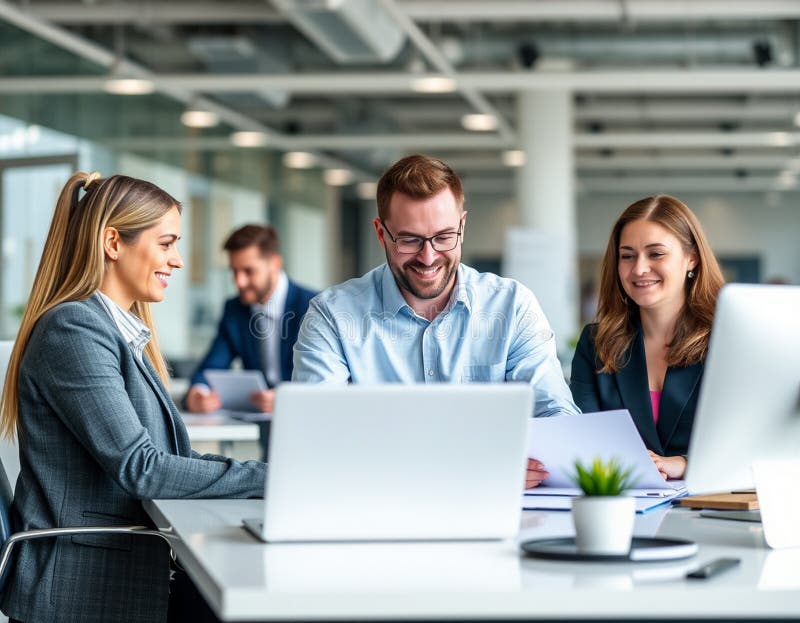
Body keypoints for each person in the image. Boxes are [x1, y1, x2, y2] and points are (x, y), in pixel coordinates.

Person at [0, 172, 265, 623]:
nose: (177, 260)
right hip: (81, 583)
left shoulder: (115, 334)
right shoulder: (75, 330)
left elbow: (159, 457)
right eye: (166, 243)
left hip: (119, 562)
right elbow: (141, 467)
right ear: (113, 242)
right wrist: (272, 480)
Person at [292, 154, 579, 488]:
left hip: (493, 513)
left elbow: (559, 423)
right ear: (381, 233)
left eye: (444, 237)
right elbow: (315, 437)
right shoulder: (332, 316)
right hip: (376, 511)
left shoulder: (513, 306)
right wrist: (475, 464)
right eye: (410, 240)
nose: (428, 258)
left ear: (462, 226)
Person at [570, 195, 724, 480]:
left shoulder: (726, 343)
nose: (639, 268)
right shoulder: (595, 343)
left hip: (710, 506)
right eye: (627, 255)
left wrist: (684, 464)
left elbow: (751, 439)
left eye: (656, 254)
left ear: (691, 258)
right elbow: (584, 437)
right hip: (624, 507)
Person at [183, 224, 316, 459]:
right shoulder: (235, 310)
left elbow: (332, 381)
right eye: (234, 271)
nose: (239, 281)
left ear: (274, 263)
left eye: (248, 271)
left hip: (309, 428)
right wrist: (198, 393)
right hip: (263, 430)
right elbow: (210, 367)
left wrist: (288, 399)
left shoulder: (314, 306)